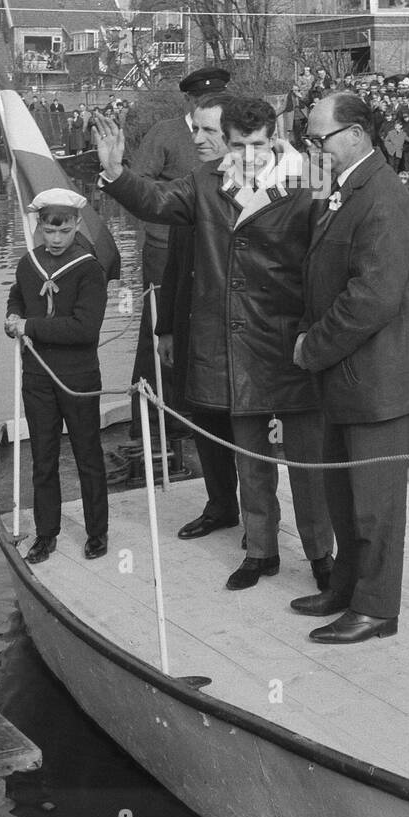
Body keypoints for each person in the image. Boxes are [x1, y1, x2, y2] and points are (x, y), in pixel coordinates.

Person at [94, 98, 334, 594]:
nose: (249, 155)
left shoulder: (313, 178)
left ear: (277, 135)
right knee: (251, 461)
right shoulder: (206, 182)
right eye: (240, 145)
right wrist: (115, 171)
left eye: (259, 145)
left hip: (295, 347)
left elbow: (334, 258)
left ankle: (321, 556)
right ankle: (260, 550)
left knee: (309, 465)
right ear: (226, 139)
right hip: (236, 348)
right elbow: (154, 201)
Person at [293, 92, 409, 644]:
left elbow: (371, 298)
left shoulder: (384, 199)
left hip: (379, 380)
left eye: (317, 137)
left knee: (375, 504)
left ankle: (377, 609)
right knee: (344, 494)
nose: (312, 147)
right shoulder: (348, 190)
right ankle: (347, 588)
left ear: (353, 135)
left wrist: (311, 347)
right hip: (348, 376)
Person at [124, 67, 231, 454]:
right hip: (166, 245)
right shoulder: (165, 133)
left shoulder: (231, 133)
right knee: (160, 330)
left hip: (212, 247)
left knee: (206, 330)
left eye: (215, 100)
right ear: (188, 101)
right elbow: (138, 182)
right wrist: (180, 199)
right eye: (201, 101)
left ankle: (197, 415)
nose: (208, 107)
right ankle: (153, 423)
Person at [5, 188, 110, 564]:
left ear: (76, 225)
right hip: (37, 378)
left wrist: (30, 325)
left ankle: (98, 532)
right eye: (49, 231)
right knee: (43, 458)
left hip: (77, 378)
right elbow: (17, 296)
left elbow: (85, 330)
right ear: (39, 226)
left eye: (63, 231)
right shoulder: (28, 263)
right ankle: (46, 534)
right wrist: (12, 318)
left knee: (87, 454)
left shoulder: (89, 269)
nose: (55, 239)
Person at [154, 96, 240, 541]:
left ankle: (261, 521)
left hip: (237, 334)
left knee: (246, 430)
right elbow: (174, 263)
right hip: (194, 327)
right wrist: (165, 327)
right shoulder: (192, 184)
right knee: (206, 420)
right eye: (196, 129)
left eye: (208, 131)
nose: (198, 138)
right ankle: (221, 505)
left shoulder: (259, 187)